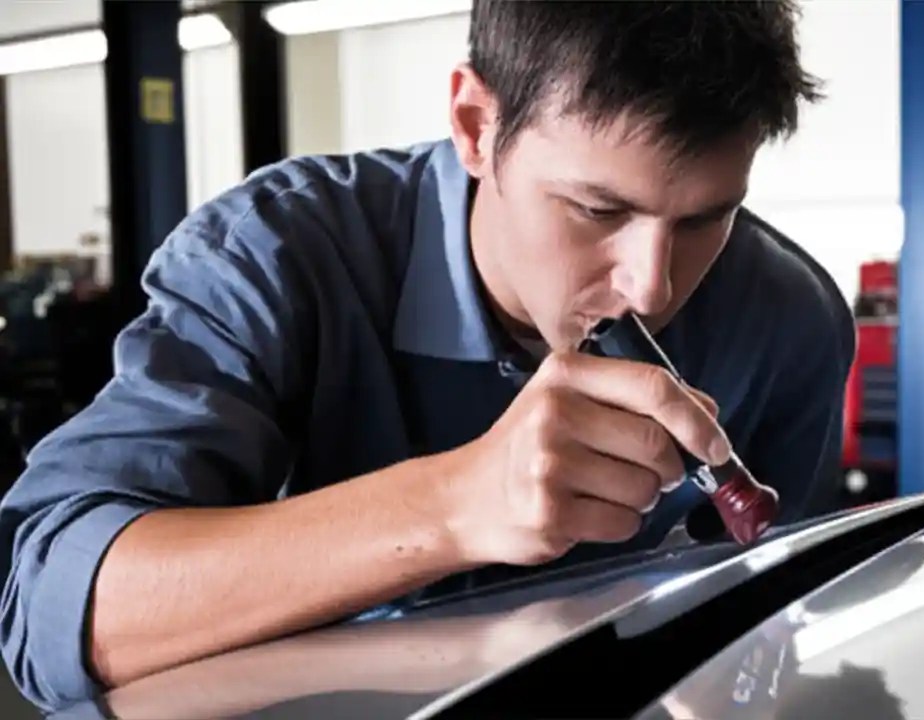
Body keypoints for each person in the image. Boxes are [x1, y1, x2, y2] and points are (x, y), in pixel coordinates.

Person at [0, 0, 854, 712]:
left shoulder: (792, 320)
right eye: (597, 210)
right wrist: (451, 506)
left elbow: (765, 623)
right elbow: (50, 618)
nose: (650, 285)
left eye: (706, 218)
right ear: (476, 126)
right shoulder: (276, 255)